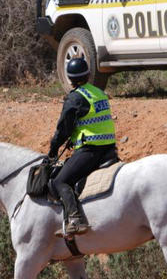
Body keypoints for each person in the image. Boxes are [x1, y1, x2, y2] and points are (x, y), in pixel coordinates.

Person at [48, 58, 117, 236]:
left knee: (60, 181)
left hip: (91, 151)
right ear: (88, 74)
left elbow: (64, 128)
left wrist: (53, 149)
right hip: (109, 148)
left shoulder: (75, 97)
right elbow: (91, 121)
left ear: (70, 78)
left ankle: (75, 220)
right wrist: (75, 137)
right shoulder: (99, 92)